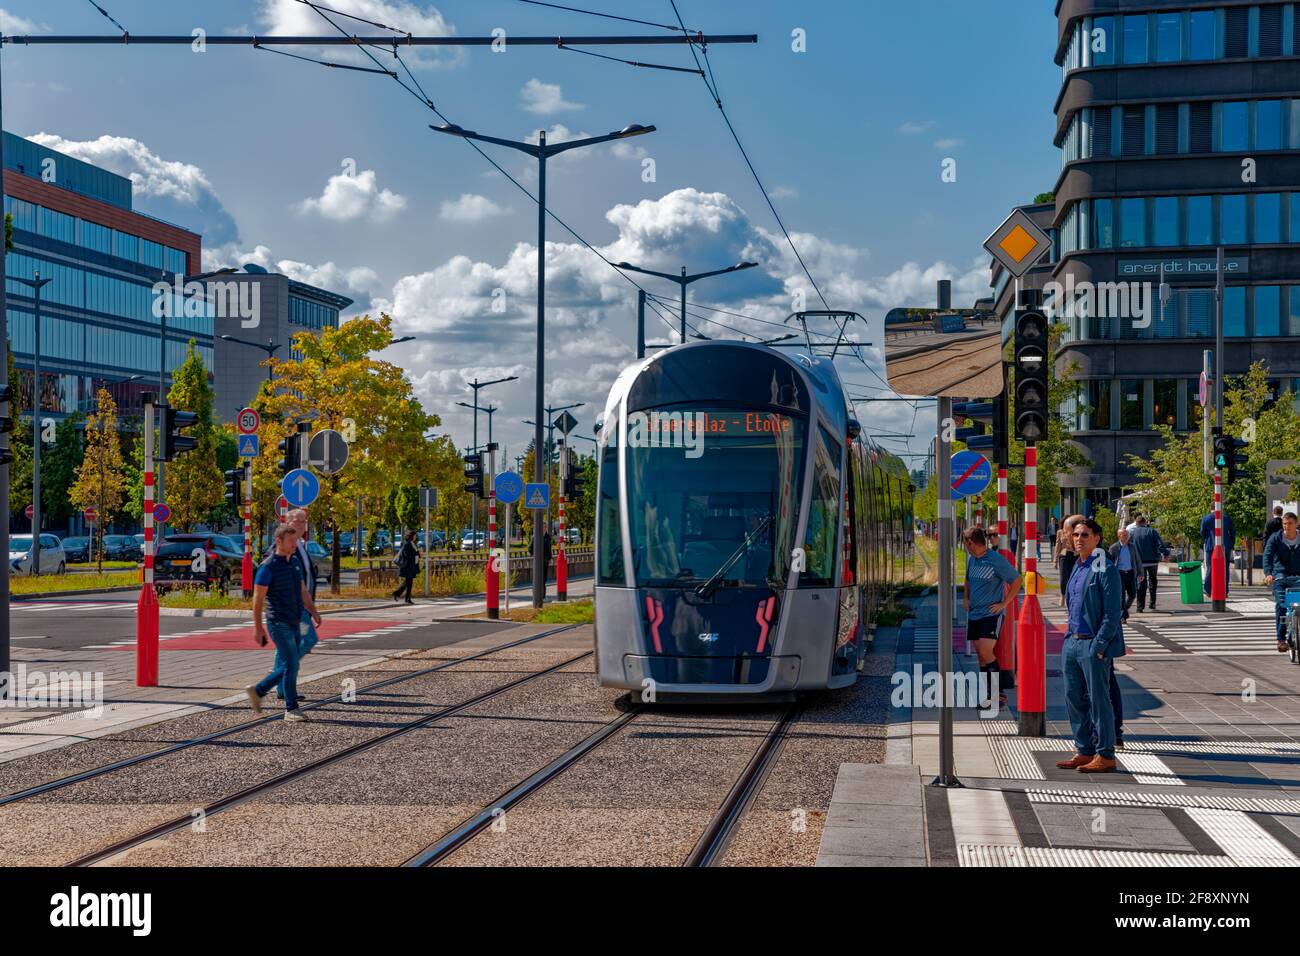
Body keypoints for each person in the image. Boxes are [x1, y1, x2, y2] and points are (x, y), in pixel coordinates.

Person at [1055, 517, 1126, 772]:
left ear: (1097, 539)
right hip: (1072, 642)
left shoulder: (1105, 568)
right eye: (1076, 535)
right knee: (1074, 698)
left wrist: (1099, 645)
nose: (1078, 539)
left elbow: (1112, 613)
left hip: (1092, 645)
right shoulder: (1077, 565)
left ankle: (1105, 754)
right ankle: (1084, 750)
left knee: (1099, 700)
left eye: (1084, 535)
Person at [246, 523, 321, 721]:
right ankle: (291, 709)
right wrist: (258, 628)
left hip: (295, 620)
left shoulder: (294, 562)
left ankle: (259, 690)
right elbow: (258, 599)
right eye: (291, 541)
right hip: (278, 623)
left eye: (296, 541)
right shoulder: (268, 567)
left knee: (292, 664)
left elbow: (303, 591)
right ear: (279, 541)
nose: (294, 544)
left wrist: (313, 612)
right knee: (291, 664)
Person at [962, 527, 1021, 708]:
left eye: (965, 543)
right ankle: (990, 693)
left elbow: (1017, 579)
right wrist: (965, 597)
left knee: (986, 652)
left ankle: (998, 695)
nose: (965, 546)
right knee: (981, 656)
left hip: (990, 614)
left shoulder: (995, 560)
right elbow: (967, 581)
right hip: (974, 614)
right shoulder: (972, 560)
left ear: (970, 542)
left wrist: (1004, 604)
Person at [1263, 512, 1300, 653]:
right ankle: (1281, 639)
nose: (1287, 526)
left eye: (1290, 523)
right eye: (1284, 524)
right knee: (1281, 605)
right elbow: (1268, 555)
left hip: (1298, 576)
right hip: (1281, 576)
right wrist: (1268, 574)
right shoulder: (1276, 538)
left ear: (1296, 524)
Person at [1128, 515, 1166, 611]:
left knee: (1141, 584)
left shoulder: (1133, 533)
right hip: (1153, 561)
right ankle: (1152, 603)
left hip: (1139, 562)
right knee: (1153, 581)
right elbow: (1159, 544)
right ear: (1145, 522)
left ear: (1136, 523)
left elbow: (1130, 547)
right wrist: (1165, 554)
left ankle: (1140, 607)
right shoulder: (1152, 531)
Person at [1199, 508, 1236, 597]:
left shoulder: (1206, 518)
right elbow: (1233, 532)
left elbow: (1202, 532)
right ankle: (1225, 591)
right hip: (1225, 546)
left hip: (1210, 545)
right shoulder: (1226, 518)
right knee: (1225, 568)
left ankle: (1208, 590)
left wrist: (1207, 540)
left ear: (1210, 508)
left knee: (1210, 567)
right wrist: (1231, 544)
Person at [1108, 526, 1142, 623]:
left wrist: (1141, 573)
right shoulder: (1114, 548)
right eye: (1124, 535)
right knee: (1121, 596)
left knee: (1132, 594)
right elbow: (1109, 562)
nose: (1127, 536)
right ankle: (1122, 616)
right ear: (1119, 536)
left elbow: (1138, 560)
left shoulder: (1132, 546)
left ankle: (1124, 611)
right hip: (1119, 573)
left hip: (1130, 573)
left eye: (1127, 535)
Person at [1056, 515, 1084, 608]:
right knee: (1064, 577)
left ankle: (1073, 596)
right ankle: (1063, 595)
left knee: (1075, 577)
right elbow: (1058, 545)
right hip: (1064, 555)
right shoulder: (1060, 532)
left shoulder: (1076, 532)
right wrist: (1055, 560)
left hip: (1075, 555)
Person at [392, 530, 420, 604]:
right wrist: (415, 555)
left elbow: (415, 553)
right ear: (411, 536)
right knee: (408, 583)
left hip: (412, 566)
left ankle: (399, 594)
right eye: (414, 536)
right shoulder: (407, 544)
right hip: (408, 567)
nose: (415, 537)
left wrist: (418, 554)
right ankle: (406, 598)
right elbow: (406, 554)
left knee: (408, 583)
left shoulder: (412, 543)